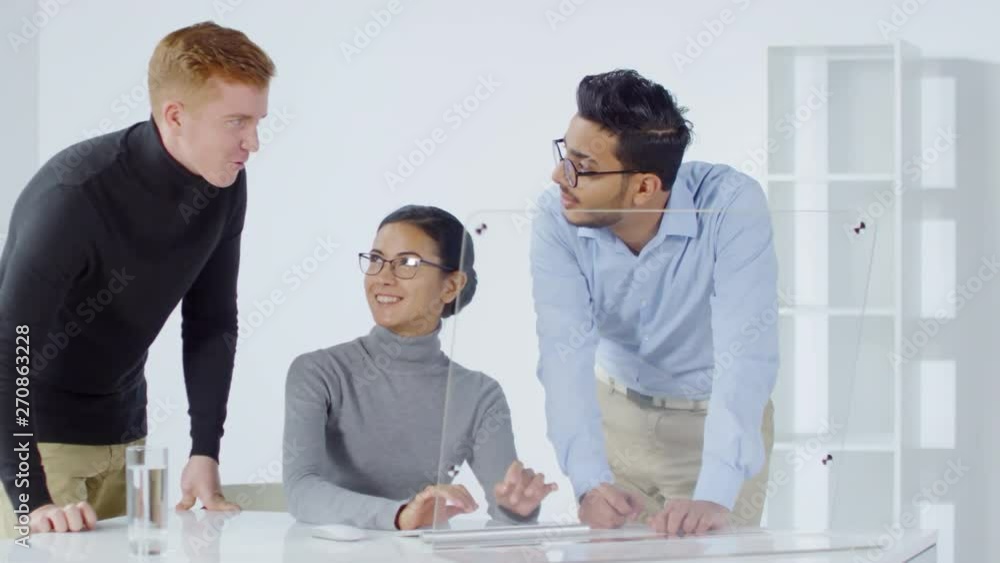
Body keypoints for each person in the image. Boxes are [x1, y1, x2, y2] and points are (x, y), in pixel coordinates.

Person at [0, 21, 275, 538]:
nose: (252, 143)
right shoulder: (74, 195)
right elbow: (6, 349)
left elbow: (212, 320)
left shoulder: (224, 183)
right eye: (236, 122)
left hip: (127, 441)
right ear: (174, 116)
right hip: (36, 450)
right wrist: (31, 497)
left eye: (257, 121)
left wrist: (205, 451)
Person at [531, 69, 778, 535]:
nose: (558, 176)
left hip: (713, 423)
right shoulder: (556, 214)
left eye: (581, 166)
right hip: (616, 421)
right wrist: (588, 481)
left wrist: (715, 491)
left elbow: (746, 351)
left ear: (644, 187)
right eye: (565, 154)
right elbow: (562, 352)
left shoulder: (730, 204)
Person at [283, 205, 557, 530]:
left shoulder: (479, 395)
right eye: (376, 260)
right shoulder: (319, 372)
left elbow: (504, 510)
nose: (383, 277)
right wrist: (401, 515)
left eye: (407, 263)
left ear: (451, 286)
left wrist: (517, 510)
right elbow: (301, 492)